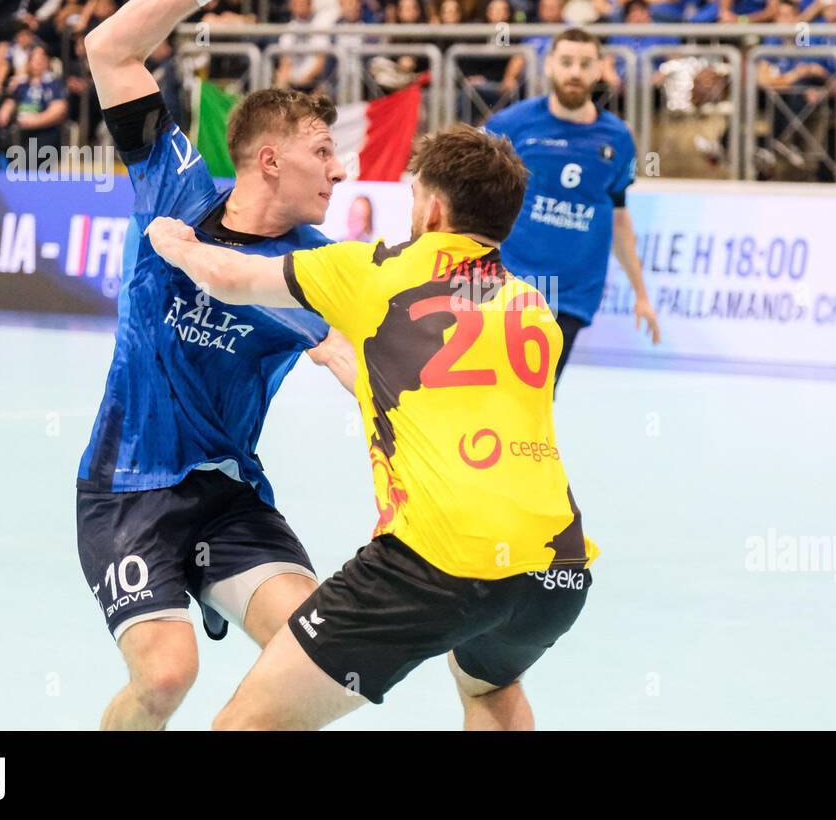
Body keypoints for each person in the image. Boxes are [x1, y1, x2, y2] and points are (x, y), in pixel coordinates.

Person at [144, 124, 598, 731]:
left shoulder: (379, 270)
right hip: (555, 574)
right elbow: (441, 398)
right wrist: (350, 364)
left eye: (415, 194)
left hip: (435, 563)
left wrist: (174, 243)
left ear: (433, 207)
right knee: (490, 691)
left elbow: (228, 277)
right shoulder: (530, 308)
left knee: (245, 726)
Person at [75, 0, 349, 730]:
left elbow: (346, 352)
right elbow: (109, 48)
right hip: (128, 486)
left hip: (228, 493)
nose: (340, 170)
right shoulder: (176, 187)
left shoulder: (319, 266)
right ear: (269, 160)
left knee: (315, 650)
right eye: (323, 152)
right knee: (166, 677)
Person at [485, 28, 660, 385]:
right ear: (549, 65)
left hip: (573, 292)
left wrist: (641, 294)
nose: (575, 72)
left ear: (600, 70)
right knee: (496, 388)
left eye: (585, 64)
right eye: (566, 62)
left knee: (537, 391)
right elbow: (469, 193)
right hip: (512, 280)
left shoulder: (617, 138)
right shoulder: (511, 125)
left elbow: (620, 218)